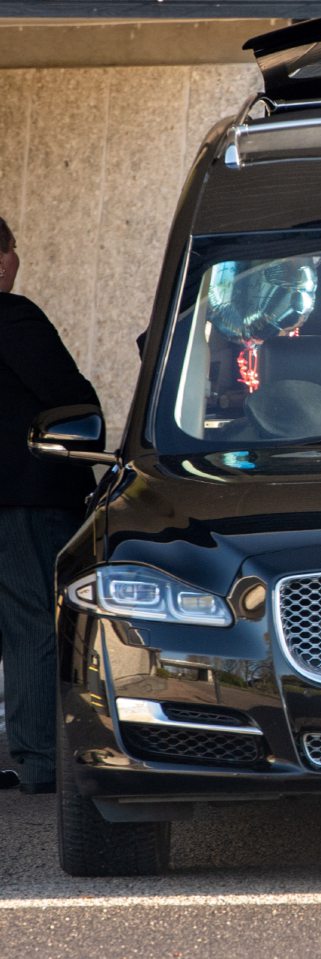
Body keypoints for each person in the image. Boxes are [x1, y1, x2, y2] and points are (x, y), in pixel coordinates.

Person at [0, 217, 101, 794]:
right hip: (26, 499)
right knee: (37, 623)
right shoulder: (13, 317)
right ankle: (41, 760)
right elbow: (70, 400)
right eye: (12, 251)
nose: (16, 263)